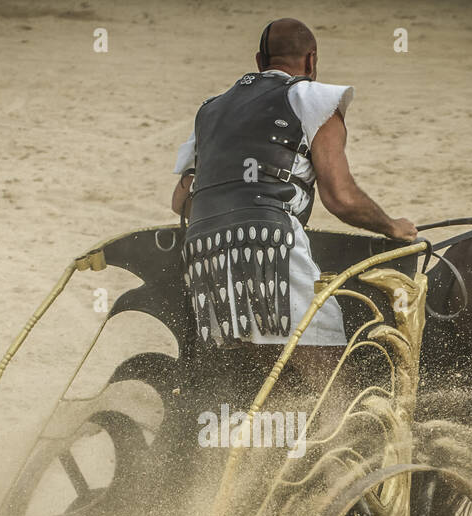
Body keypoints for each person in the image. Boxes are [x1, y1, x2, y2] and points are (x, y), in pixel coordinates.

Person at [170, 17, 417, 375]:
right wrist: (393, 227)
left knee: (272, 372)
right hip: (269, 243)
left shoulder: (210, 110)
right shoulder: (313, 98)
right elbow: (341, 198)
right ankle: (337, 426)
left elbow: (181, 202)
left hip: (204, 254)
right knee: (327, 368)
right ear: (311, 60)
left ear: (259, 61)